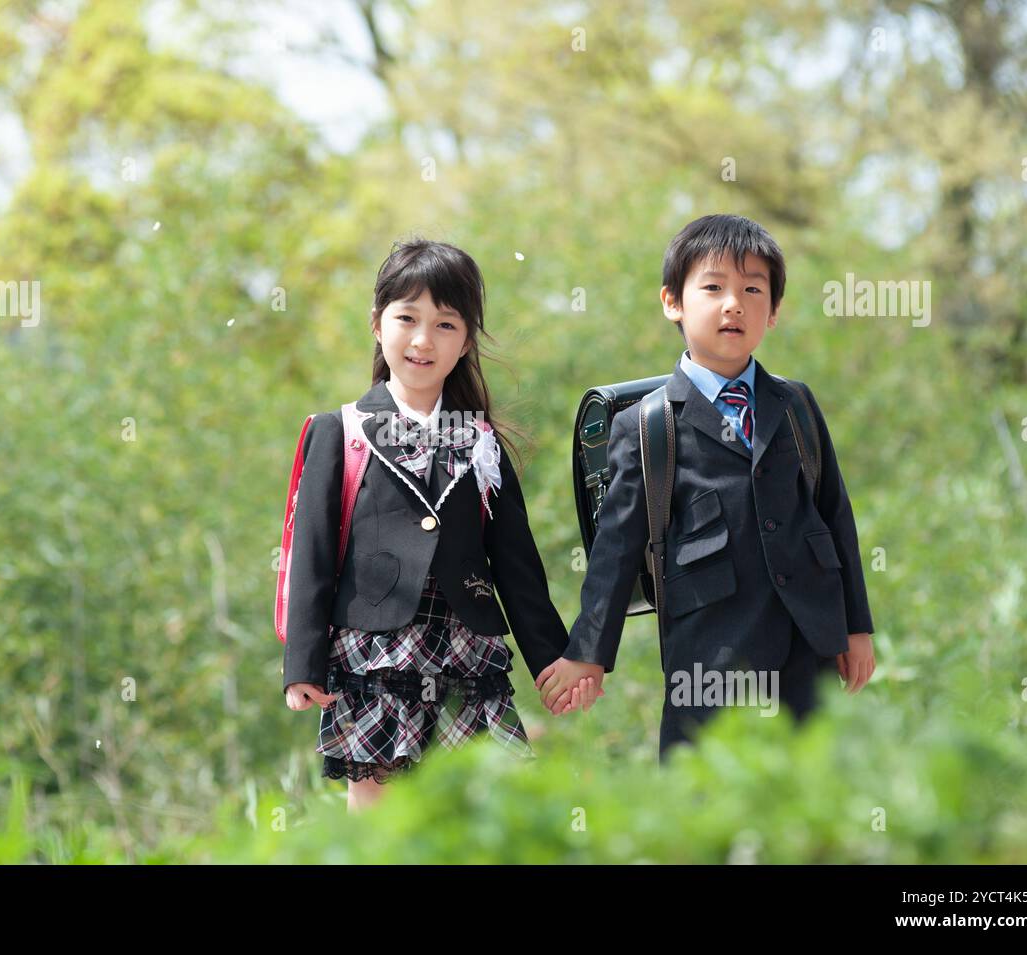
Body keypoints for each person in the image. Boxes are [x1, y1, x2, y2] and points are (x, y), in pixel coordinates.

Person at [539, 213, 876, 758]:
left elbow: (835, 514)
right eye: (713, 287)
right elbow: (616, 550)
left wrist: (856, 627)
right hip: (711, 655)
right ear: (673, 301)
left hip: (807, 642)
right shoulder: (648, 425)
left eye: (752, 290)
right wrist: (589, 653)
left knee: (810, 794)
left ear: (775, 310)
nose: (733, 304)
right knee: (705, 791)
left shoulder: (795, 405)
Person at [282, 238, 570, 809]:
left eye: (444, 324)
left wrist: (555, 659)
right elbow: (311, 555)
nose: (422, 339)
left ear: (465, 342)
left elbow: (517, 565)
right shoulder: (340, 430)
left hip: (467, 650)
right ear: (376, 323)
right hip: (373, 653)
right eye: (407, 318)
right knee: (379, 825)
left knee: (483, 817)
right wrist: (302, 664)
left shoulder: (481, 442)